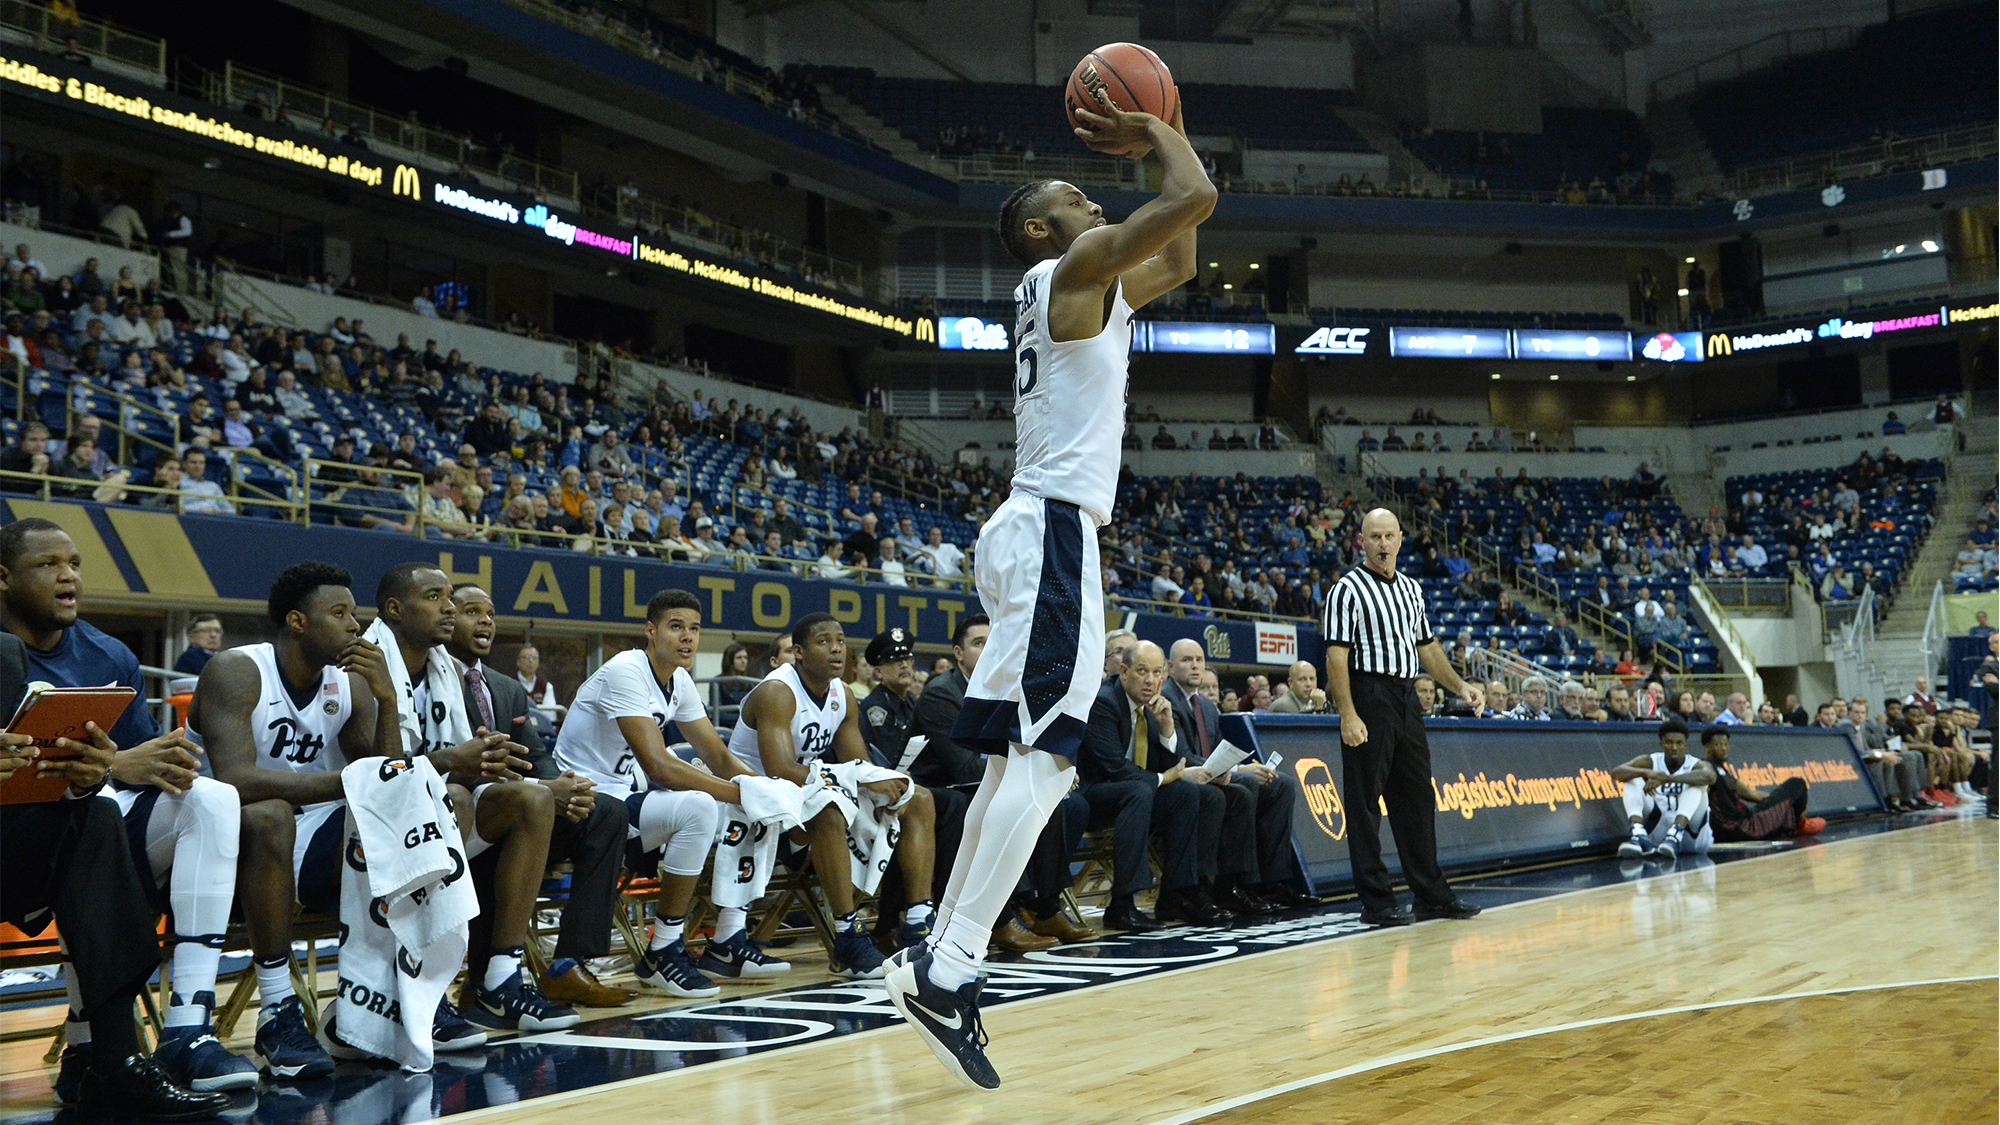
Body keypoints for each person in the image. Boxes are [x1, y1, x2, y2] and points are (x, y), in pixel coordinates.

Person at [886, 82, 1217, 1092]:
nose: (1091, 200)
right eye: (1077, 192)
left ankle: (939, 957)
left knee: (1012, 772)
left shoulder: (1085, 283)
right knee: (1038, 771)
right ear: (1041, 226)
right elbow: (1191, 198)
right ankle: (946, 968)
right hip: (1052, 535)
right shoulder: (1062, 266)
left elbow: (1182, 255)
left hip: (1045, 533)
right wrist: (1154, 129)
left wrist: (1156, 140)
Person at [189, 561, 496, 1080]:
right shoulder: (238, 669)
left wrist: (387, 697)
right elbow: (236, 781)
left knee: (434, 804)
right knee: (270, 815)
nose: (355, 625)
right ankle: (278, 1011)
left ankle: (408, 992)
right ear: (297, 621)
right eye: (338, 613)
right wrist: (353, 785)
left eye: (355, 614)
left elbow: (390, 780)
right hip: (222, 846)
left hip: (317, 839)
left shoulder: (348, 683)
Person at [2, 520, 259, 1099]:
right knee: (93, 817)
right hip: (22, 842)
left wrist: (113, 768)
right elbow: (122, 766)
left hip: (81, 837)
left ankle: (185, 1029)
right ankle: (95, 1040)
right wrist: (114, 767)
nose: (68, 575)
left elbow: (142, 767)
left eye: (74, 563)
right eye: (48, 564)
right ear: (3, 578)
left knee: (205, 798)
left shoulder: (108, 652)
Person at [552, 589, 784, 994]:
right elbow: (658, 765)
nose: (687, 638)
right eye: (676, 627)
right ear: (650, 631)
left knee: (748, 805)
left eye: (694, 629)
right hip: (575, 800)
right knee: (699, 807)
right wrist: (740, 793)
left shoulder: (679, 681)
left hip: (619, 800)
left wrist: (768, 790)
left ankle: (729, 938)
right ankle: (664, 949)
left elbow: (719, 756)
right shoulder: (626, 669)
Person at [445, 585, 635, 1010]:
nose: (486, 621)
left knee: (607, 811)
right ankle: (483, 979)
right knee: (516, 817)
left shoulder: (507, 688)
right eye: (472, 611)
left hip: (519, 809)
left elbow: (534, 757)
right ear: (445, 617)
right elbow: (448, 763)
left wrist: (565, 789)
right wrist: (544, 790)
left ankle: (568, 962)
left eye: (491, 613)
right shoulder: (432, 677)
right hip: (461, 814)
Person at [730, 614, 939, 979]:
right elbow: (779, 768)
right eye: (824, 641)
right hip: (753, 799)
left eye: (840, 640)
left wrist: (882, 780)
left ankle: (918, 923)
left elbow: (857, 763)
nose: (836, 648)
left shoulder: (842, 694)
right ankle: (847, 936)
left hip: (805, 790)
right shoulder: (777, 691)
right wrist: (854, 781)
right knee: (828, 805)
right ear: (798, 652)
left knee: (917, 797)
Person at [1323, 509, 1485, 927]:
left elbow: (1427, 648)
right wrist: (1348, 714)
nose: (1382, 544)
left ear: (1399, 540)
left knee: (1416, 798)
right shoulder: (1346, 589)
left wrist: (1459, 687)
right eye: (1374, 536)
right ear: (1361, 541)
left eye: (1389, 536)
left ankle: (1431, 893)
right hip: (1367, 693)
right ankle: (1376, 901)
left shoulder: (1412, 589)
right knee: (1364, 803)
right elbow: (1335, 656)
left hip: (1406, 695)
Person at [912, 615, 1093, 951]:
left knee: (1059, 802)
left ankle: (1045, 906)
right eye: (978, 643)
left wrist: (1042, 772)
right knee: (998, 805)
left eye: (993, 642)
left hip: (986, 782)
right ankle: (998, 918)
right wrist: (1031, 772)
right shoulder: (941, 694)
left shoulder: (1007, 689)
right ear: (958, 653)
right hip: (943, 789)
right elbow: (963, 766)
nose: (989, 649)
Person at [1164, 639, 1316, 911]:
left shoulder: (1207, 706)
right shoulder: (1168, 699)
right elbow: (1182, 756)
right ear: (1170, 666)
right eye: (1187, 660)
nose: (1195, 665)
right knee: (1244, 783)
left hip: (1214, 776)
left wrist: (1239, 766)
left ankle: (1272, 883)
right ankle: (1232, 885)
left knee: (1281, 785)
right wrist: (1236, 769)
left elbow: (1219, 749)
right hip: (1186, 779)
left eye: (1199, 659)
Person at [1611, 716, 1715, 862]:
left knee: (1697, 783)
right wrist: (1646, 773)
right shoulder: (1651, 761)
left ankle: (1676, 833)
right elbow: (1616, 772)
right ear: (1661, 743)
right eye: (1669, 742)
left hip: (1691, 835)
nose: (1674, 747)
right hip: (1659, 834)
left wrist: (1667, 778)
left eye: (1679, 743)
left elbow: (1710, 777)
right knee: (1631, 778)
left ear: (1685, 745)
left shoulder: (1695, 764)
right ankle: (1638, 833)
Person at [1701, 727, 1824, 840]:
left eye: (1726, 745)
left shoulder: (1721, 769)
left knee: (1794, 789)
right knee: (1797, 783)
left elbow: (1752, 794)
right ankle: (1797, 824)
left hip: (1744, 819)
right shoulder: (1706, 768)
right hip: (1741, 826)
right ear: (1707, 746)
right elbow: (1700, 800)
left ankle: (1793, 820)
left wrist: (1785, 802)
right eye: (1718, 745)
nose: (1723, 748)